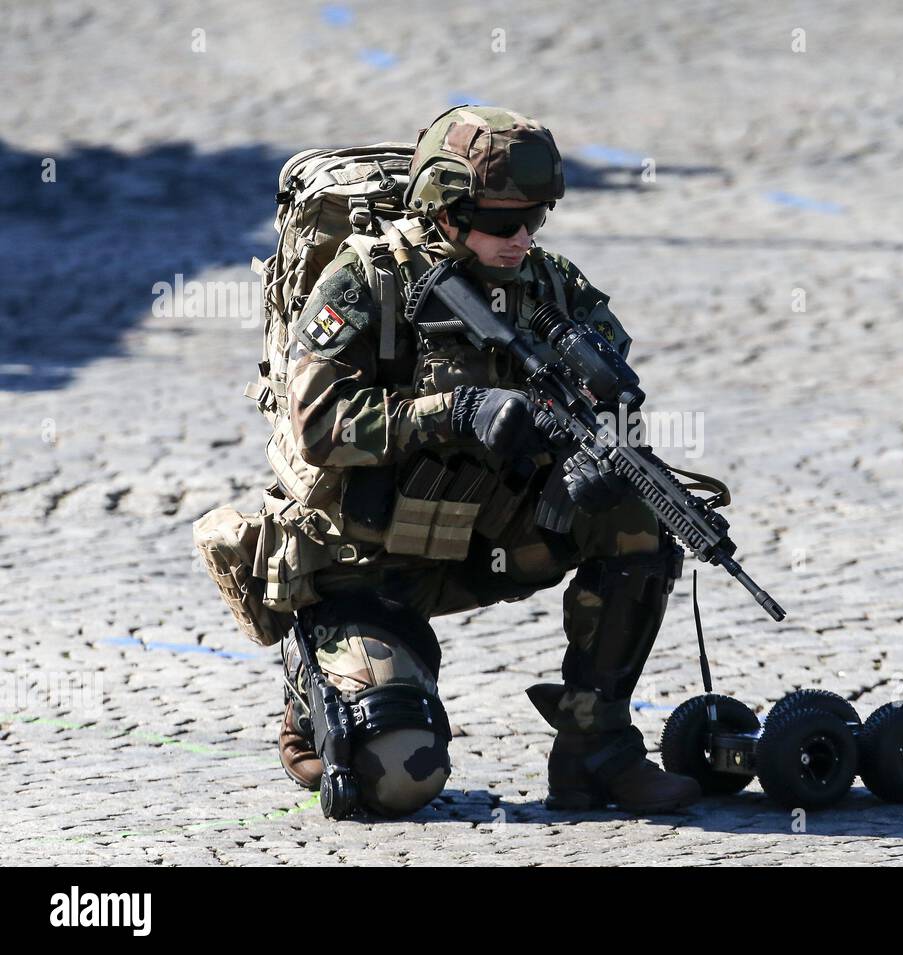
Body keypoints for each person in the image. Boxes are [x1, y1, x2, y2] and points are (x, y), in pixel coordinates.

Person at [276, 104, 702, 817]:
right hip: (373, 566)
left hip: (486, 538)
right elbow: (320, 427)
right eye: (504, 223)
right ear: (445, 208)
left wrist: (596, 455)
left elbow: (613, 392)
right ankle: (314, 678)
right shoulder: (367, 282)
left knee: (637, 509)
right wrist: (453, 413)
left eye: (537, 218)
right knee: (397, 779)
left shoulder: (549, 282)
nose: (522, 238)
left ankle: (595, 749)